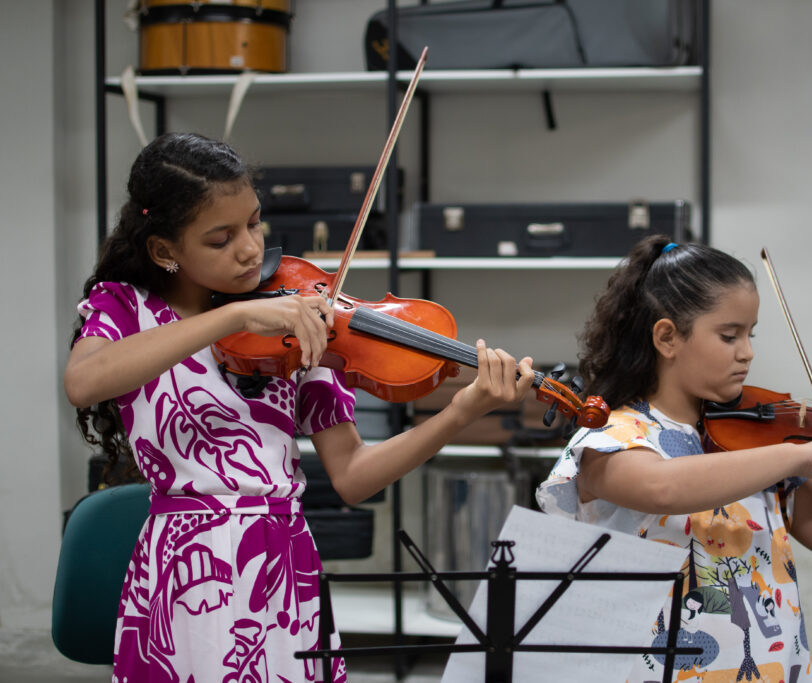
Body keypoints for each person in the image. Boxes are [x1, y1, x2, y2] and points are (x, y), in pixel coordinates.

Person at [64, 132, 535, 683]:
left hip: (281, 564)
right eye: (220, 239)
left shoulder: (297, 320)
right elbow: (84, 381)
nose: (248, 248)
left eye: (254, 224)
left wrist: (460, 411)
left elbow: (355, 477)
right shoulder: (125, 308)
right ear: (166, 251)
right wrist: (233, 319)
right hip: (186, 568)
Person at [536, 237, 812, 682]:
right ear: (667, 338)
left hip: (767, 667)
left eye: (750, 335)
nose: (747, 352)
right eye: (729, 335)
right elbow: (663, 487)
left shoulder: (749, 442)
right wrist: (796, 455)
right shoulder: (610, 437)